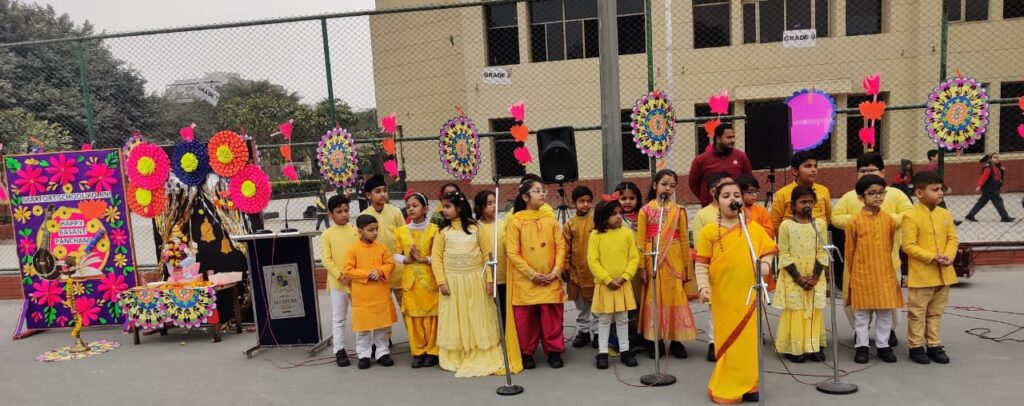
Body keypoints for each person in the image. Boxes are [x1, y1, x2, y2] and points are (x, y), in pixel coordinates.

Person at [695, 182, 777, 404]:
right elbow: (702, 264)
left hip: (750, 293)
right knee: (729, 341)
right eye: (726, 195)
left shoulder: (753, 228)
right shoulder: (709, 231)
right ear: (717, 200)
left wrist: (766, 265)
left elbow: (768, 250)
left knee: (750, 341)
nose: (733, 199)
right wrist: (703, 287)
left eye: (737, 195)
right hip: (723, 294)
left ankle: (751, 385)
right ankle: (729, 384)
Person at [831, 153, 912, 347]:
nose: (867, 173)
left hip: (888, 260)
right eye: (863, 171)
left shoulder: (895, 194)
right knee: (858, 302)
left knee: (888, 301)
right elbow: (835, 217)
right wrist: (859, 221)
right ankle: (861, 334)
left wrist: (888, 219)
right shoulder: (851, 196)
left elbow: (909, 214)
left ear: (883, 172)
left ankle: (888, 332)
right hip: (859, 263)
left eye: (872, 170)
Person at [432, 191, 516, 377]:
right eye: (443, 207)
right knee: (457, 315)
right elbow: (436, 259)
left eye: (447, 206)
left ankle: (480, 350)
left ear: (459, 208)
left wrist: (489, 280)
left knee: (476, 315)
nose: (443, 210)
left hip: (475, 282)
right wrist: (441, 282)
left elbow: (488, 256)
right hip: (453, 283)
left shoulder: (476, 229)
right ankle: (459, 352)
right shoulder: (442, 232)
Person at [506, 178, 568, 369]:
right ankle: (527, 352)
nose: (542, 194)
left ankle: (554, 351)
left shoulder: (550, 220)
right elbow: (512, 252)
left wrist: (555, 272)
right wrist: (532, 274)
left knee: (552, 317)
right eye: (537, 191)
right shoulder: (515, 222)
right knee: (526, 319)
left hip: (550, 279)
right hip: (526, 281)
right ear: (525, 197)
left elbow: (560, 247)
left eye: (543, 190)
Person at [637, 169, 698, 359]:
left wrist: (686, 265)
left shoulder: (679, 211)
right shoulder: (645, 210)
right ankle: (654, 340)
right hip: (652, 257)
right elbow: (640, 242)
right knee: (654, 298)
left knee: (674, 297)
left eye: (672, 186)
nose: (668, 188)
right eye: (664, 184)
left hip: (674, 258)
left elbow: (682, 241)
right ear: (655, 185)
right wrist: (641, 266)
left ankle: (676, 340)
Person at [844, 175, 904, 364]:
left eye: (881, 193)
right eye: (872, 193)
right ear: (861, 198)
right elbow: (849, 251)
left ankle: (883, 346)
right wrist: (855, 273)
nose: (878, 197)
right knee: (862, 315)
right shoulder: (854, 221)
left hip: (885, 272)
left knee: (885, 313)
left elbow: (890, 245)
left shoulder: (888, 220)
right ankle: (862, 346)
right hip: (862, 274)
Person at [902, 171, 959, 365]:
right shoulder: (910, 216)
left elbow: (953, 238)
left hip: (944, 272)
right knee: (917, 312)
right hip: (922, 274)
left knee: (936, 311)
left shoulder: (945, 214)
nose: (940, 193)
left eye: (941, 189)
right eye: (935, 190)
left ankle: (934, 344)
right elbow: (908, 246)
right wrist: (933, 257)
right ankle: (916, 346)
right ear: (919, 193)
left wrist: (948, 257)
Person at [773, 185, 828, 363]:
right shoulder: (786, 225)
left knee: (812, 309)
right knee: (795, 310)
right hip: (793, 277)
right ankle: (795, 347)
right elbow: (784, 253)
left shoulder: (819, 224)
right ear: (793, 204)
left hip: (814, 276)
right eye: (803, 202)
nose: (807, 205)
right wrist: (798, 277)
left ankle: (813, 346)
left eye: (811, 202)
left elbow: (822, 250)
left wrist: (815, 277)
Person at [587, 198, 640, 369]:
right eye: (613, 214)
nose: (618, 217)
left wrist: (625, 277)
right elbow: (593, 261)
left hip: (623, 285)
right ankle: (602, 352)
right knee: (604, 319)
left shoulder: (626, 233)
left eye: (620, 213)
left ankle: (625, 350)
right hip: (605, 286)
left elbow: (634, 257)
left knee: (623, 319)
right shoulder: (596, 236)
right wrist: (607, 280)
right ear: (603, 218)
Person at [343, 214, 397, 369]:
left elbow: (390, 264)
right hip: (362, 297)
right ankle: (364, 355)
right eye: (370, 230)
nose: (375, 233)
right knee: (363, 329)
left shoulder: (381, 247)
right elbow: (348, 270)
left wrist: (380, 271)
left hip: (380, 294)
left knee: (382, 327)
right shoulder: (353, 249)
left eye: (376, 229)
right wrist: (367, 274)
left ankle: (382, 353)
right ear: (360, 232)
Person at [688, 171, 732, 362]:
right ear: (714, 191)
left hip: (736, 269)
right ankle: (714, 343)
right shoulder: (703, 215)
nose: (732, 195)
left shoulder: (739, 213)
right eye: (726, 191)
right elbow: (699, 245)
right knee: (715, 307)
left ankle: (734, 341)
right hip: (715, 267)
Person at [394, 192, 440, 368]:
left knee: (431, 316)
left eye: (415, 205)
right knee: (414, 317)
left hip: (429, 281)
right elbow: (395, 254)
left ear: (425, 209)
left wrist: (424, 260)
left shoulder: (435, 230)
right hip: (410, 282)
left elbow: (439, 255)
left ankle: (432, 351)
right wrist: (404, 260)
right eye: (408, 206)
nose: (411, 209)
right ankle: (418, 352)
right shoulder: (401, 231)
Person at [320, 194, 359, 367]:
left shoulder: (355, 231)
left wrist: (355, 275)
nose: (344, 214)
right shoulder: (327, 234)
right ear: (330, 214)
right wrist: (339, 275)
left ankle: (363, 348)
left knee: (359, 315)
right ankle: (340, 350)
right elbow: (326, 259)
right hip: (338, 283)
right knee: (339, 318)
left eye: (346, 210)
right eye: (339, 211)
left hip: (356, 281)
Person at [360, 174, 407, 304]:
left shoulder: (396, 212)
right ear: (369, 195)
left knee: (406, 307)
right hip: (377, 270)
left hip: (397, 267)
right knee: (382, 308)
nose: (383, 194)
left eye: (385, 191)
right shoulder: (364, 216)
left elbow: (405, 236)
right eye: (378, 191)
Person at [564, 186, 597, 348]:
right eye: (581, 201)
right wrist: (565, 268)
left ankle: (598, 332)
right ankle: (584, 332)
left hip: (595, 272)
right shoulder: (570, 224)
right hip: (577, 272)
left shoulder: (597, 220)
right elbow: (565, 248)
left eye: (588, 201)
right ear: (574, 203)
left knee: (597, 305)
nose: (585, 205)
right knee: (582, 306)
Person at [688, 124, 753, 206]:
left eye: (733, 137)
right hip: (710, 206)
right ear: (718, 139)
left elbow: (748, 179)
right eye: (729, 137)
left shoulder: (741, 156)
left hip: (735, 205)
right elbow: (693, 183)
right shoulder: (701, 159)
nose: (733, 140)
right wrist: (705, 198)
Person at [614, 180, 645, 353]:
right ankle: (624, 340)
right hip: (622, 269)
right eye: (623, 198)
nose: (627, 202)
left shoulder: (643, 215)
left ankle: (641, 337)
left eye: (631, 198)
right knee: (625, 305)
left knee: (640, 303)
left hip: (640, 266)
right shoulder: (616, 219)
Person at [770, 151, 832, 231]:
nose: (813, 170)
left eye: (815, 166)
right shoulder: (782, 194)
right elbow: (775, 222)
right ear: (795, 171)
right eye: (808, 166)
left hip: (818, 238)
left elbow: (828, 217)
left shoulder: (823, 191)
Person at [474, 190, 507, 318]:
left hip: (504, 276)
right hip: (486, 280)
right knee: (490, 314)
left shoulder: (503, 225)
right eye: (489, 203)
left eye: (495, 202)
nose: (494, 206)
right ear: (479, 207)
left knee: (504, 313)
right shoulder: (476, 228)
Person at [964, 153, 1014, 223]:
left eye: (997, 157)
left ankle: (970, 215)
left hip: (992, 188)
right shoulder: (988, 167)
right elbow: (984, 177)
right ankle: (1005, 217)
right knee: (998, 202)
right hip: (990, 188)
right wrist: (979, 186)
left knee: (981, 202)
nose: (997, 159)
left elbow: (999, 177)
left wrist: (1002, 170)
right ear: (990, 159)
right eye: (994, 158)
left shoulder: (997, 166)